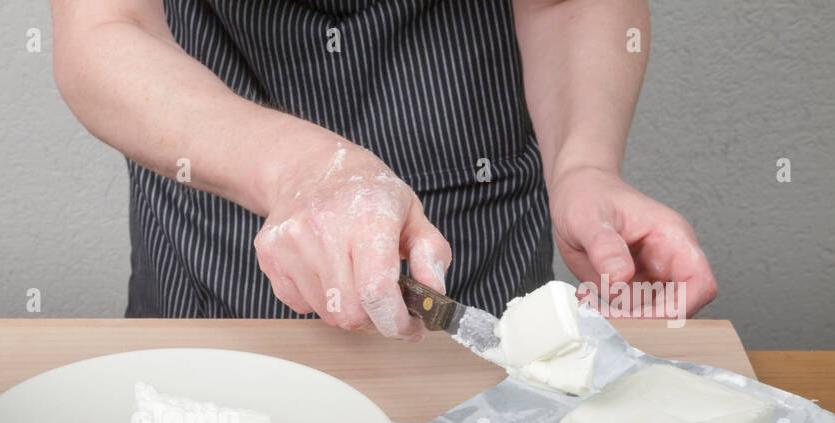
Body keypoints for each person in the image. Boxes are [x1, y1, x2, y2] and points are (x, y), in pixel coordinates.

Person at [51, 0, 718, 339]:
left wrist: (584, 165)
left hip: (478, 253)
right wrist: (298, 171)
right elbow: (106, 31)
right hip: (218, 259)